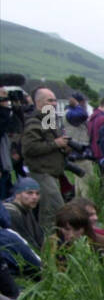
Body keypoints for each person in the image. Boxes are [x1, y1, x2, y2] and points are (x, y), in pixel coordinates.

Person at [19, 88, 69, 231]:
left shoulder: (48, 120)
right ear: (39, 103)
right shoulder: (34, 122)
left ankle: (52, 245)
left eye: (55, 100)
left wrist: (64, 147)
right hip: (42, 173)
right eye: (50, 100)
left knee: (53, 212)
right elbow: (28, 149)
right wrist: (56, 144)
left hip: (52, 174)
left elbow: (50, 144)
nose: (54, 104)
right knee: (54, 212)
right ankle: (48, 246)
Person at [3, 177, 44, 250]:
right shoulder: (11, 213)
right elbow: (25, 242)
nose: (35, 197)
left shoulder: (27, 208)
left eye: (37, 193)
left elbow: (39, 237)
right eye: (29, 193)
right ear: (17, 194)